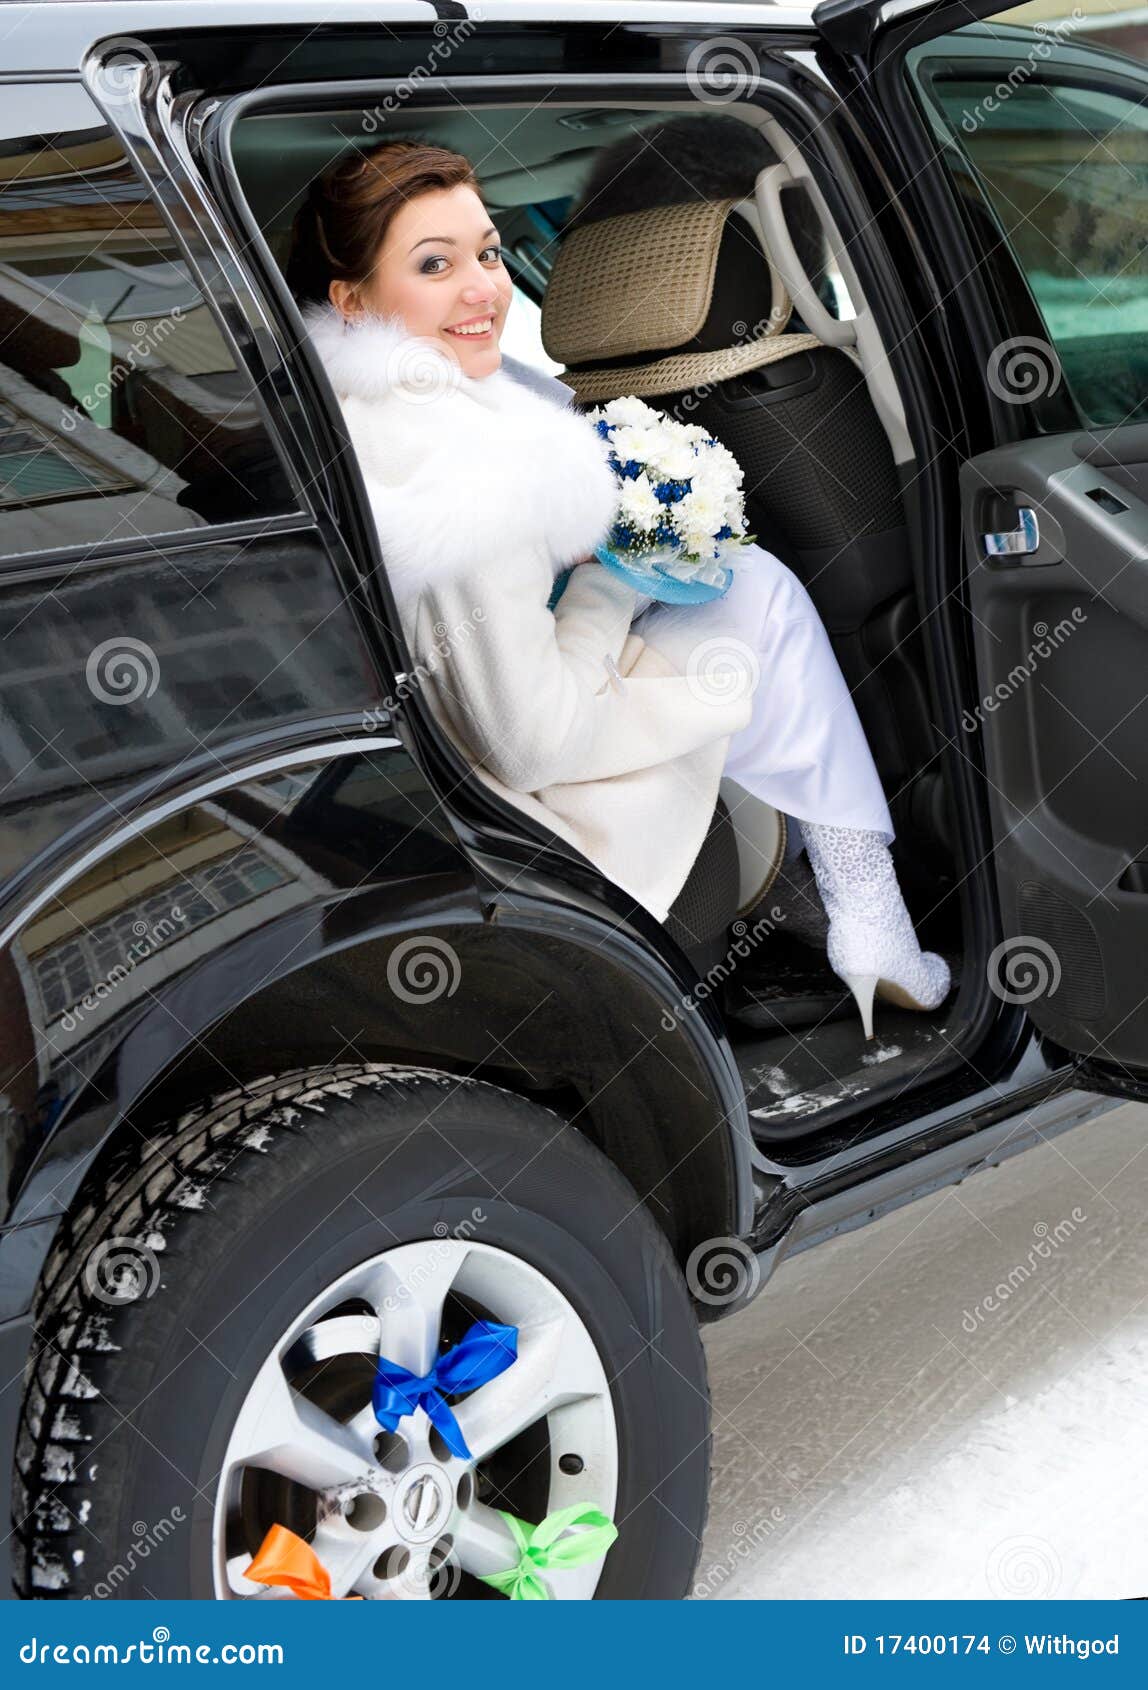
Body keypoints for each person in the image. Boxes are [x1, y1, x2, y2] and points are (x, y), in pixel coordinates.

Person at [286, 139, 950, 1039]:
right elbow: (530, 743)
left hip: (417, 766)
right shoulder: (456, 469)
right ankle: (862, 912)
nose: (484, 289)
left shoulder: (390, 414)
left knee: (750, 585)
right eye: (434, 265)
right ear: (352, 299)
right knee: (755, 603)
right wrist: (609, 586)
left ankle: (849, 905)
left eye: (487, 253)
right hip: (537, 814)